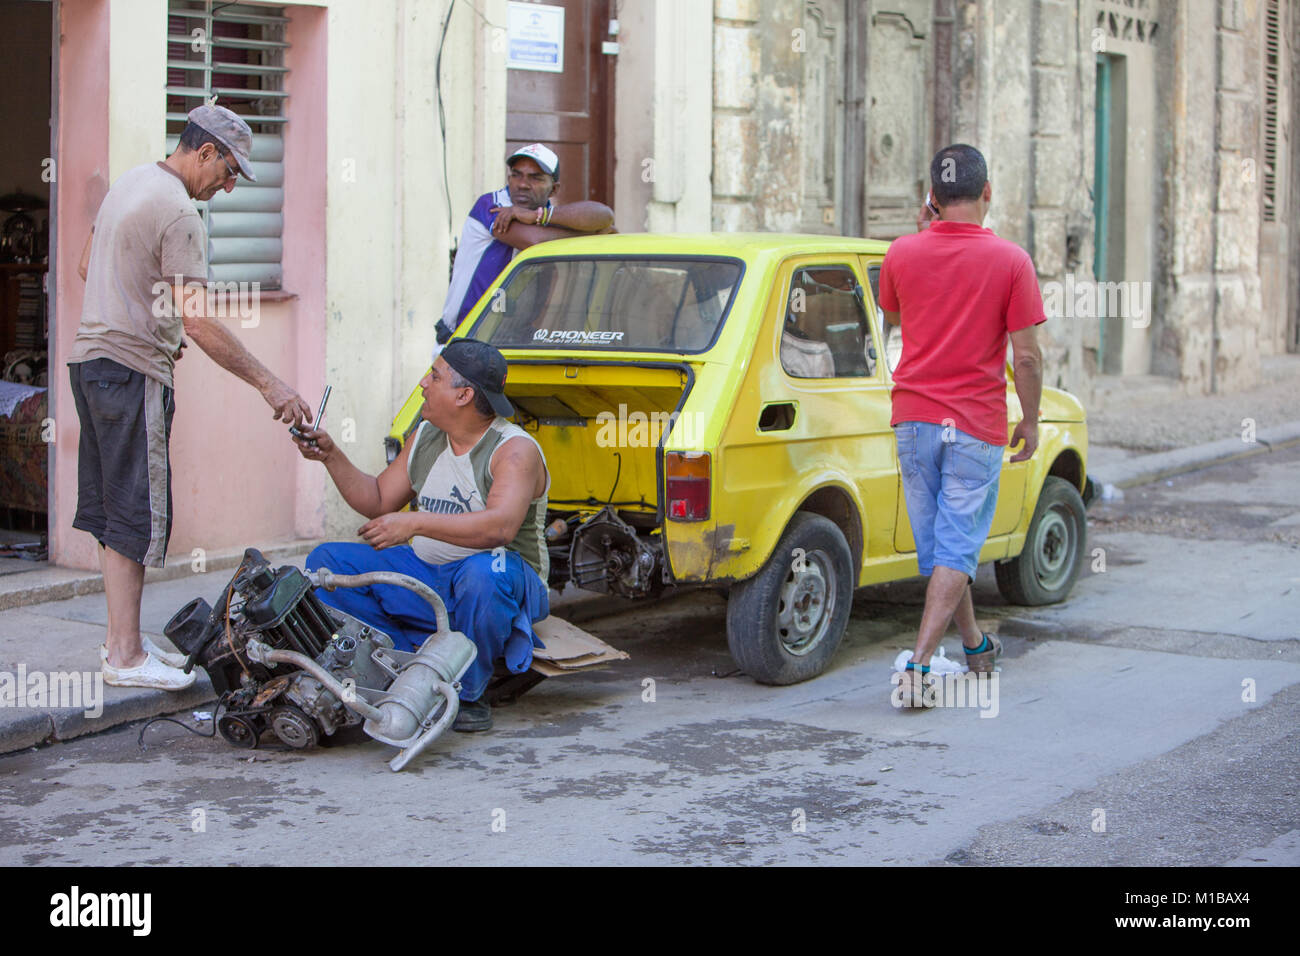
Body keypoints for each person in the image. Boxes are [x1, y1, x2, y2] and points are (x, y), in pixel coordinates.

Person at [69, 104, 311, 691]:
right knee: (136, 513)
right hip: (130, 375)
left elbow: (85, 266)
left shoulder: (132, 182)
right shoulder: (180, 212)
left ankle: (118, 644)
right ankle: (126, 656)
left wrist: (152, 323)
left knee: (112, 511)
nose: (229, 185)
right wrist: (269, 383)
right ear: (204, 151)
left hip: (91, 363)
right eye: (229, 171)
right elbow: (199, 322)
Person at [293, 338, 550, 733]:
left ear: (464, 395)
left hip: (496, 581)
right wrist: (330, 454)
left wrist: (414, 522)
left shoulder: (514, 450)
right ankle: (409, 666)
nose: (423, 384)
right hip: (428, 574)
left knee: (486, 573)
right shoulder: (428, 435)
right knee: (328, 564)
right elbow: (378, 499)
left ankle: (468, 692)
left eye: (435, 376)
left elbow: (500, 528)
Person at [877, 143, 1045, 707]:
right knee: (954, 547)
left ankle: (975, 648)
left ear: (932, 197)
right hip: (974, 425)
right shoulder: (1012, 262)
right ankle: (920, 669)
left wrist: (920, 237)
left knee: (948, 547)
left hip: (915, 422)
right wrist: (1032, 420)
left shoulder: (901, 252)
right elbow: (1027, 357)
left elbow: (897, 315)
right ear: (988, 193)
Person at [435, 143, 614, 345]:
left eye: (535, 178)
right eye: (516, 175)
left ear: (554, 189)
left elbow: (604, 215)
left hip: (511, 342)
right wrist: (591, 233)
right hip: (463, 341)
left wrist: (538, 216)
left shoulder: (548, 216)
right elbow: (534, 241)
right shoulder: (490, 205)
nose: (522, 184)